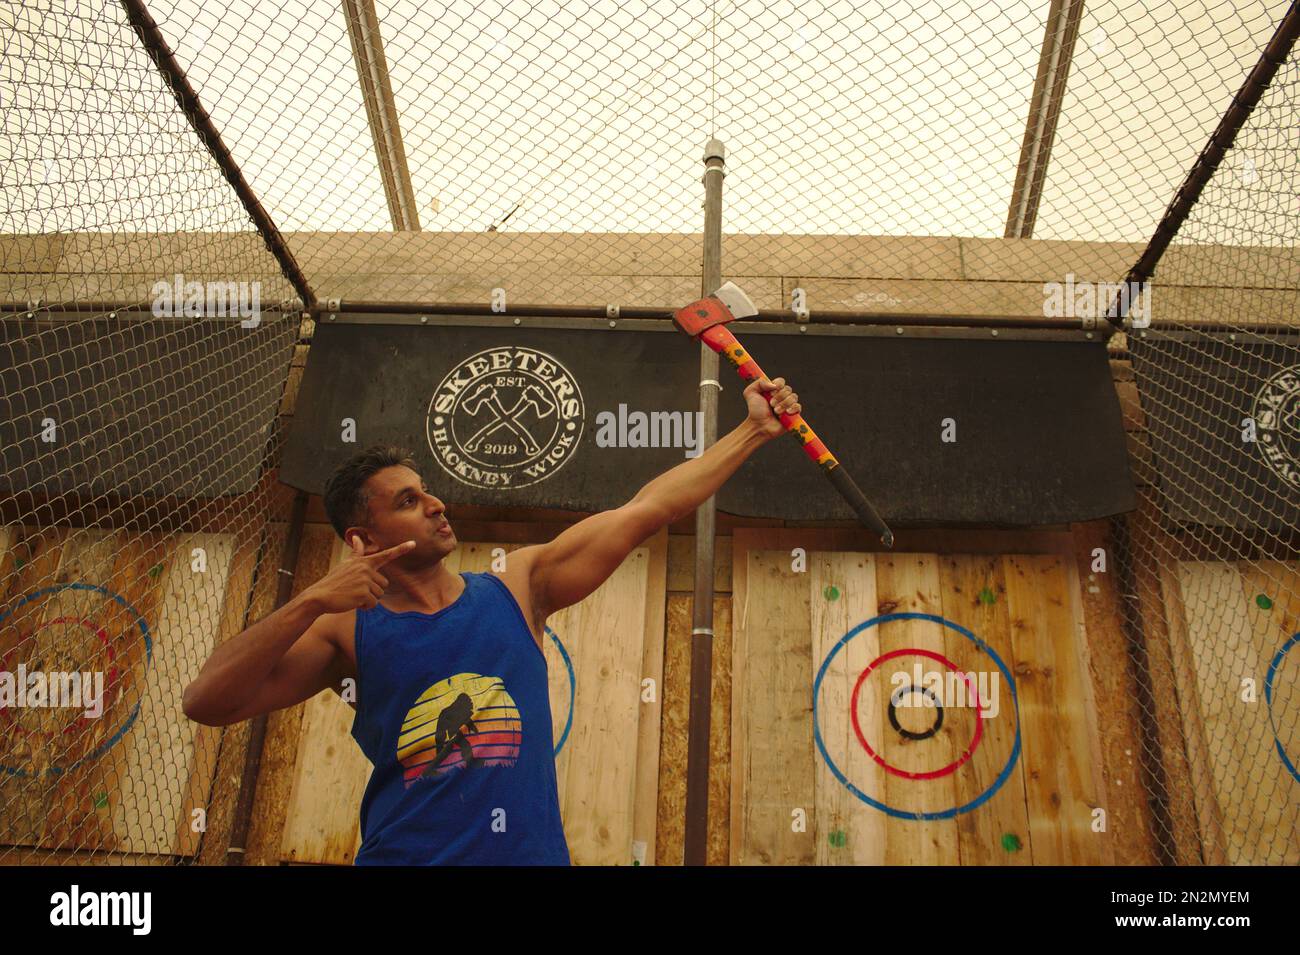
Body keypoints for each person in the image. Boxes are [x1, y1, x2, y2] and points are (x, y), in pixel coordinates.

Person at [182, 376, 801, 864]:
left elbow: (647, 508)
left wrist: (751, 431)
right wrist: (312, 599)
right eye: (408, 502)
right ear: (362, 539)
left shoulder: (519, 587)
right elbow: (206, 702)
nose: (435, 504)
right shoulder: (344, 629)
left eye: (427, 492)